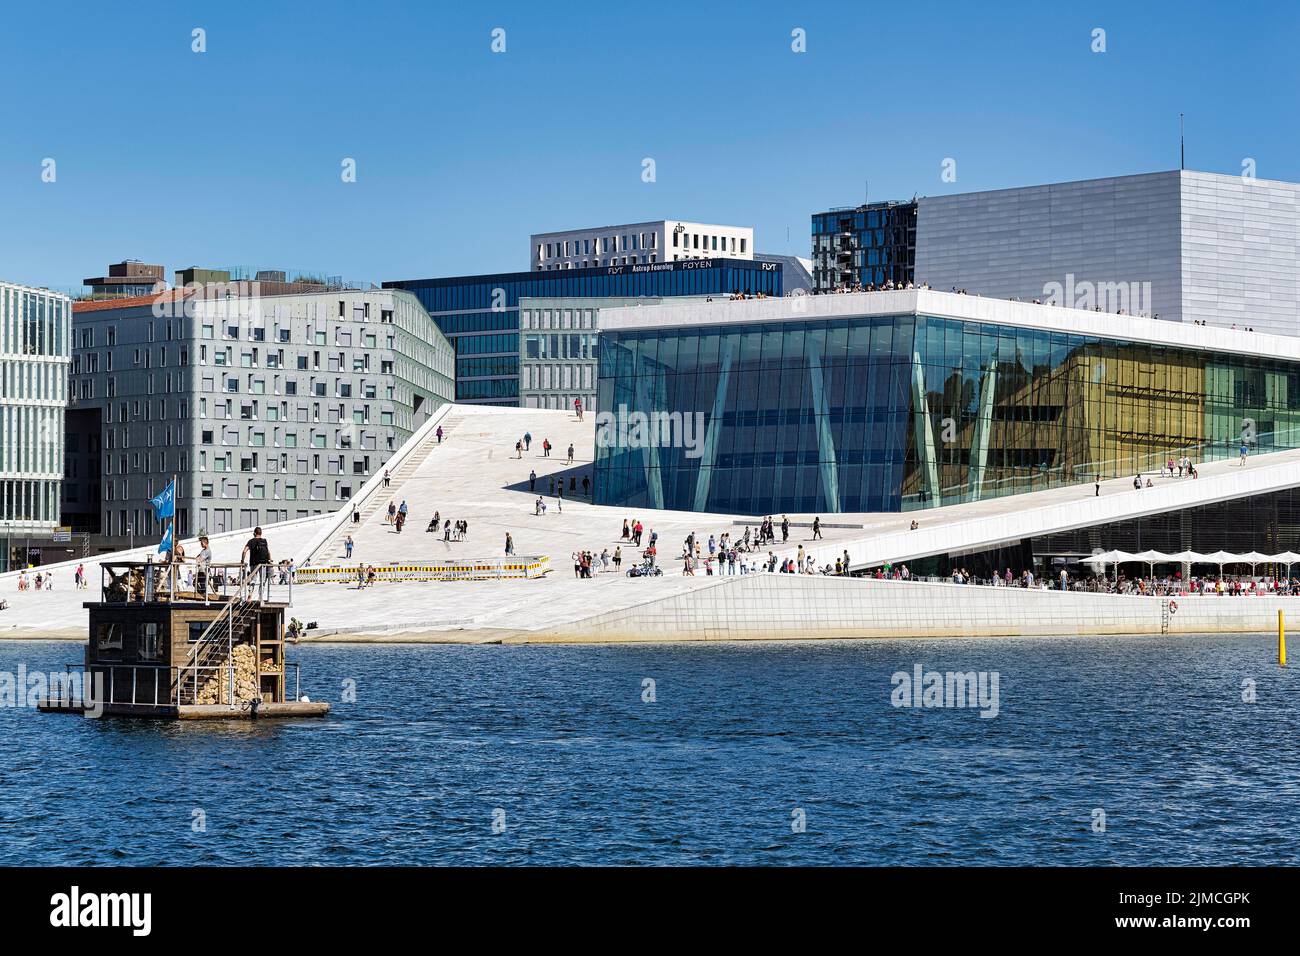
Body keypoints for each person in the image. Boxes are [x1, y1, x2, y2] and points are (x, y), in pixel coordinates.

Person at [195, 535, 212, 600]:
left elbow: (200, 559)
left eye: (202, 543)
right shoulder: (203, 551)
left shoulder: (208, 551)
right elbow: (197, 557)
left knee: (202, 584)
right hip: (201, 569)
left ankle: (203, 597)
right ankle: (201, 595)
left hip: (204, 570)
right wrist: (197, 559)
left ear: (206, 543)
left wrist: (198, 559)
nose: (201, 545)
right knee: (195, 582)